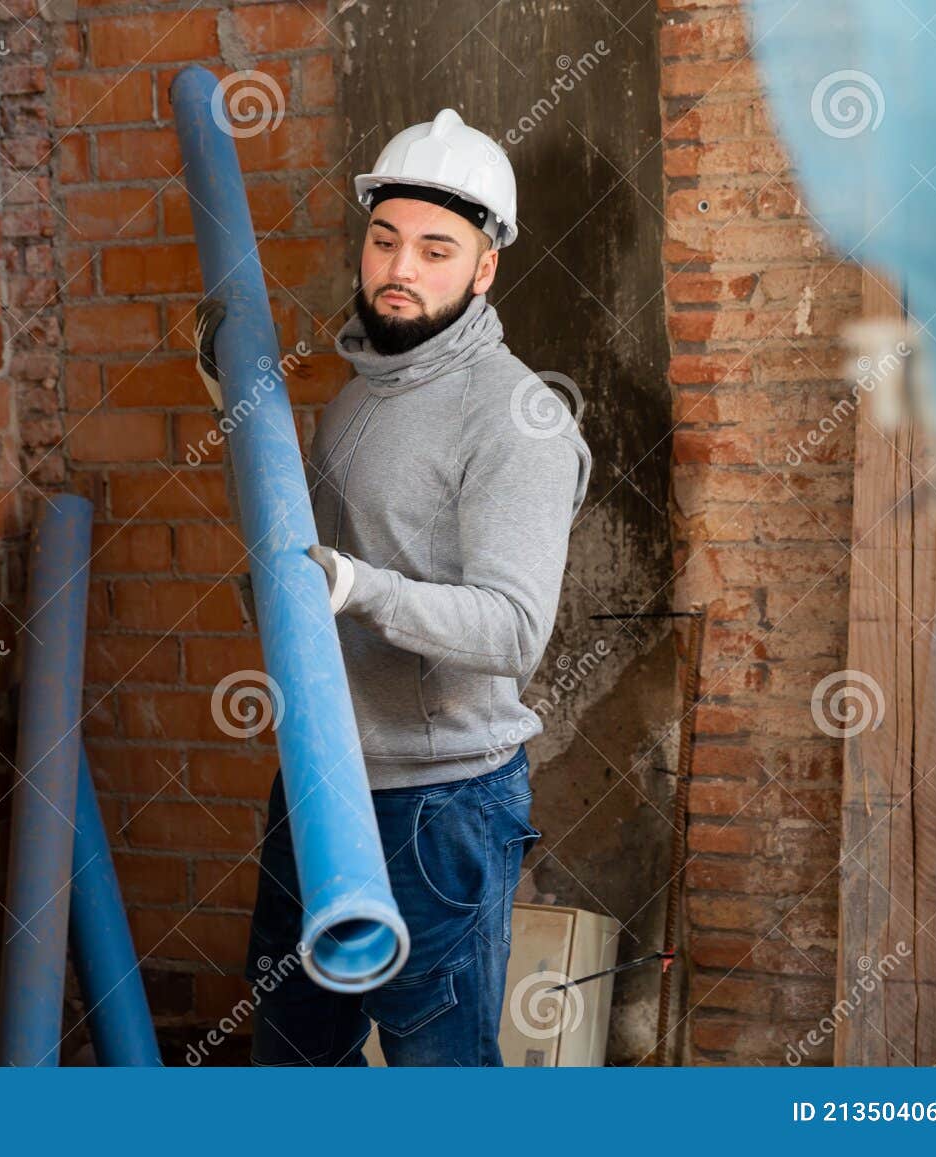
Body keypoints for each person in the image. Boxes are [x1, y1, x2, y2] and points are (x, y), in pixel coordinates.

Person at [198, 109, 591, 1065]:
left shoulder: (517, 420)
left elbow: (511, 631)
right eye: (385, 240)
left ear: (485, 266)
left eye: (435, 249)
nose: (401, 270)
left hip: (438, 807)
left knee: (439, 1077)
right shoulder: (359, 388)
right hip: (321, 779)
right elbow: (318, 575)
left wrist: (354, 587)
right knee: (293, 1062)